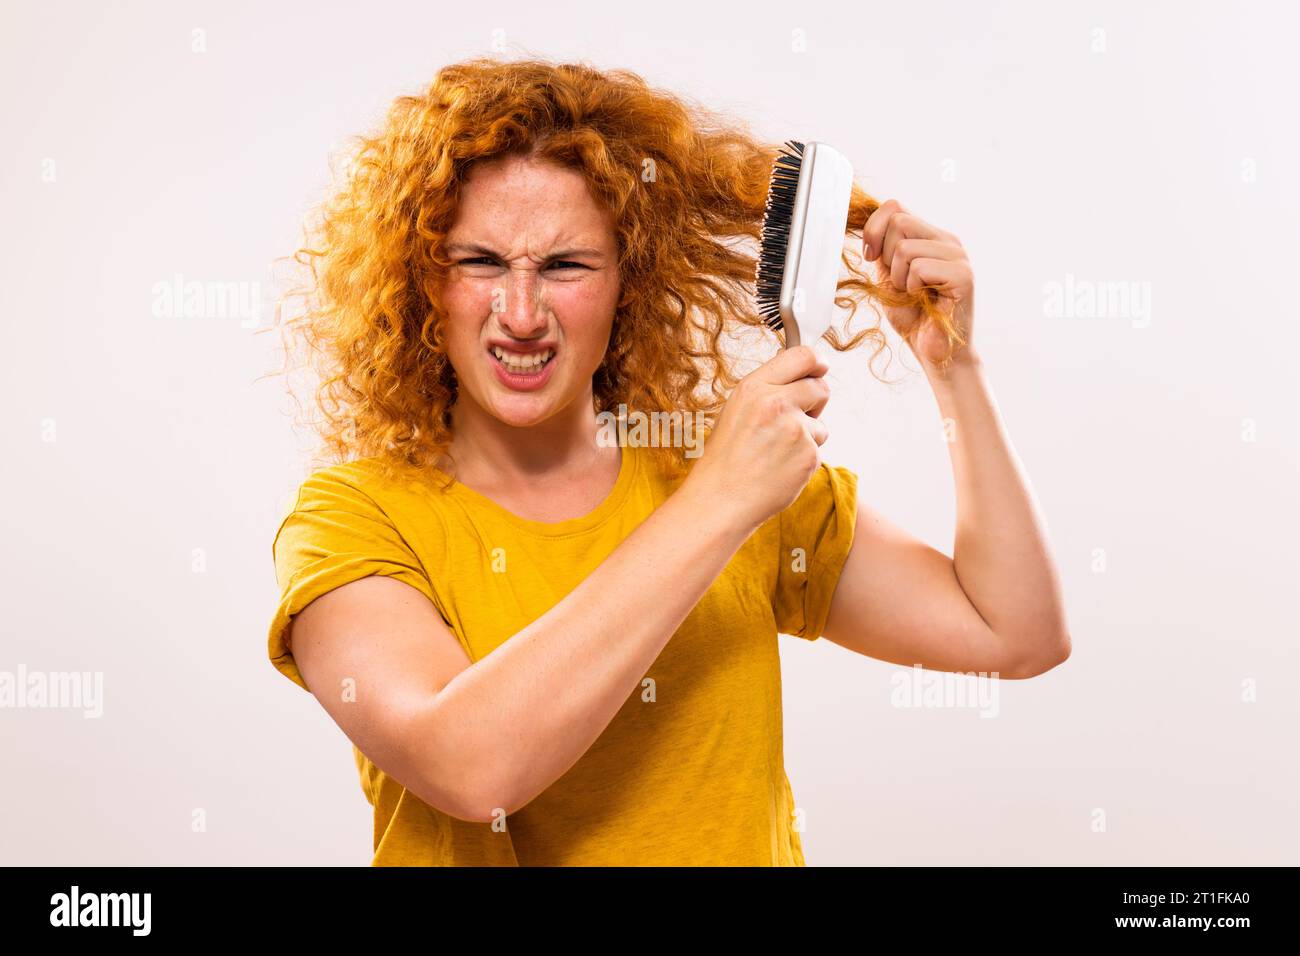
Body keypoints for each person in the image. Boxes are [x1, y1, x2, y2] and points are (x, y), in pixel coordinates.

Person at [266, 56, 1071, 866]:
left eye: (565, 265)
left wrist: (952, 367)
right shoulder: (351, 518)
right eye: (479, 262)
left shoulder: (715, 471)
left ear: (630, 280)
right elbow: (470, 767)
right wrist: (719, 505)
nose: (519, 313)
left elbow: (1014, 633)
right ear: (422, 281)